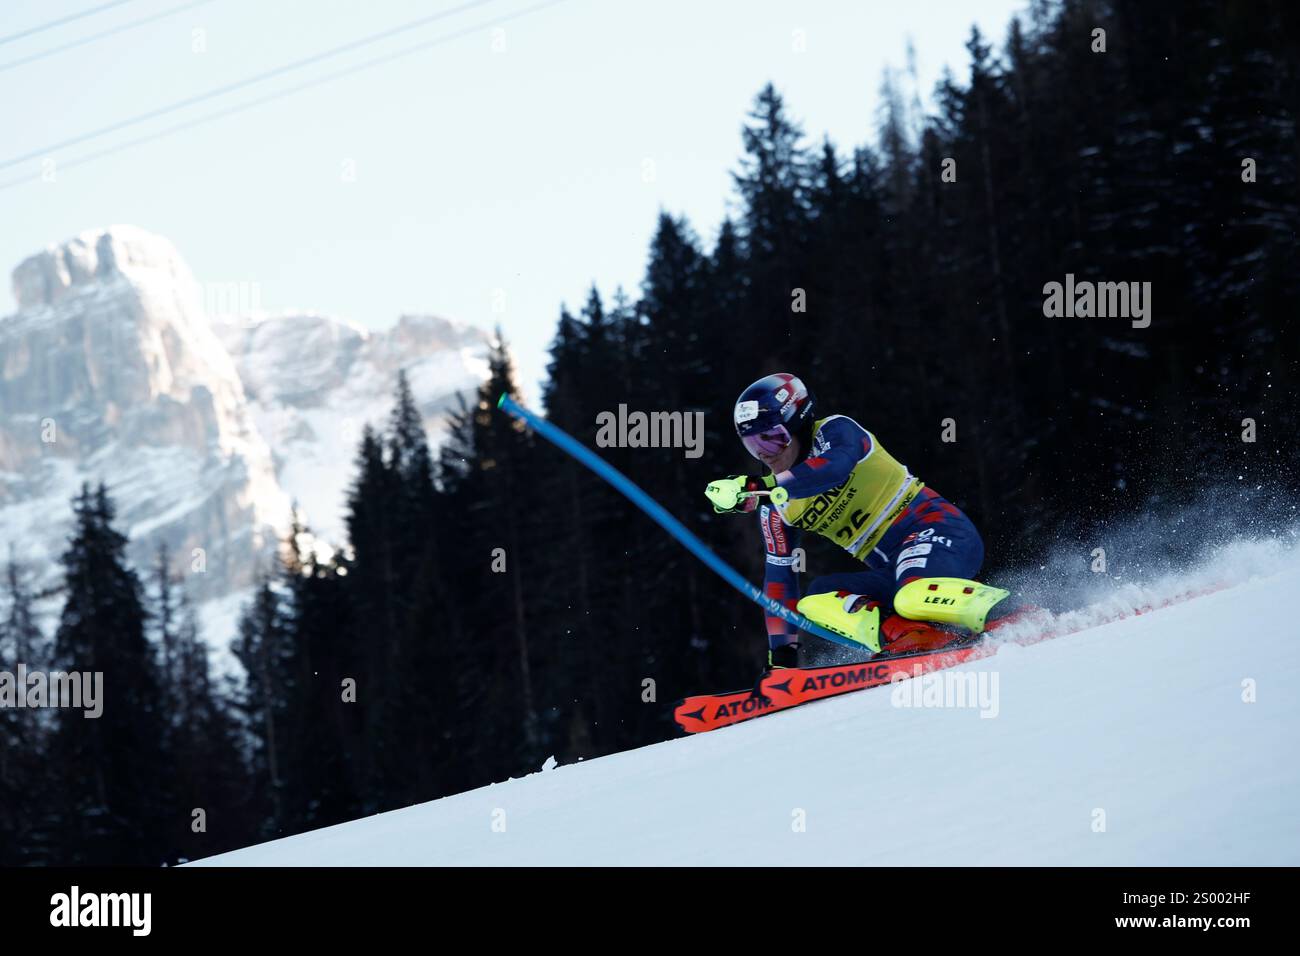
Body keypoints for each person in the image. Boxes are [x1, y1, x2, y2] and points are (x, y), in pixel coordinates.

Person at [705, 372, 1010, 670]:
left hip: (937, 531)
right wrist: (782, 659)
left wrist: (762, 487)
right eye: (754, 445)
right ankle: (914, 636)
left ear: (799, 425)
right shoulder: (775, 507)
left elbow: (832, 470)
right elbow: (779, 582)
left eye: (774, 439)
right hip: (893, 571)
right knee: (816, 601)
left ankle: (1005, 612)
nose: (767, 454)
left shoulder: (837, 431)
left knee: (913, 595)